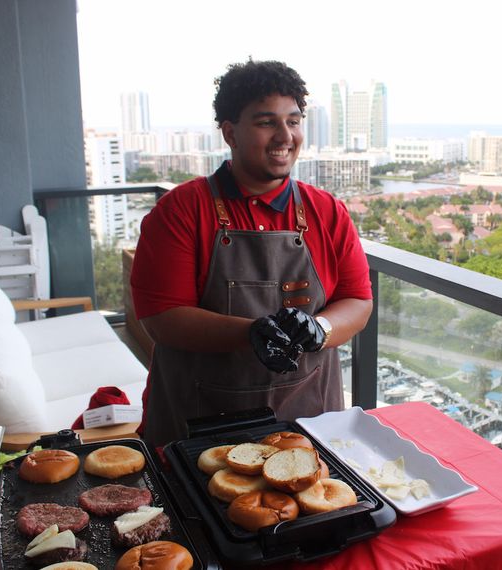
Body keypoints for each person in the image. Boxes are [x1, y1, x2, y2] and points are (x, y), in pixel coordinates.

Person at [130, 60, 373, 448]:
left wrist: (320, 329)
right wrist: (250, 333)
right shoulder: (181, 210)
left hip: (309, 422)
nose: (285, 136)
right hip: (202, 424)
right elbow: (162, 319)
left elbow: (358, 300)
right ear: (230, 133)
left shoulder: (327, 210)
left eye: (293, 122)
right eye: (266, 122)